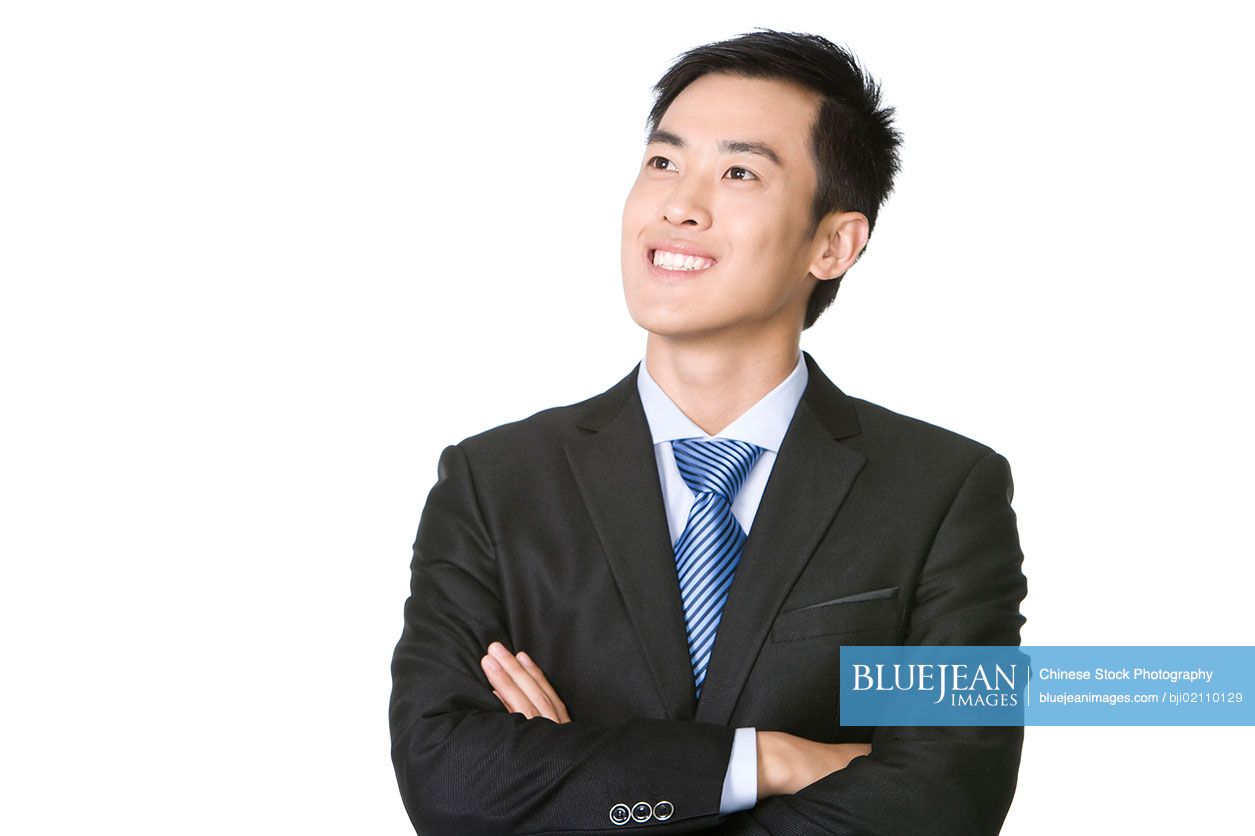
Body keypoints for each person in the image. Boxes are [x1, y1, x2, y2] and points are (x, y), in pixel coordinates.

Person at [390, 29, 1027, 835]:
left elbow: (945, 799)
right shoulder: (494, 481)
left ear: (833, 243)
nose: (678, 205)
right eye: (662, 162)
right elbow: (447, 782)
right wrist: (763, 761)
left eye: (737, 172)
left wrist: (581, 785)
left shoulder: (940, 491)